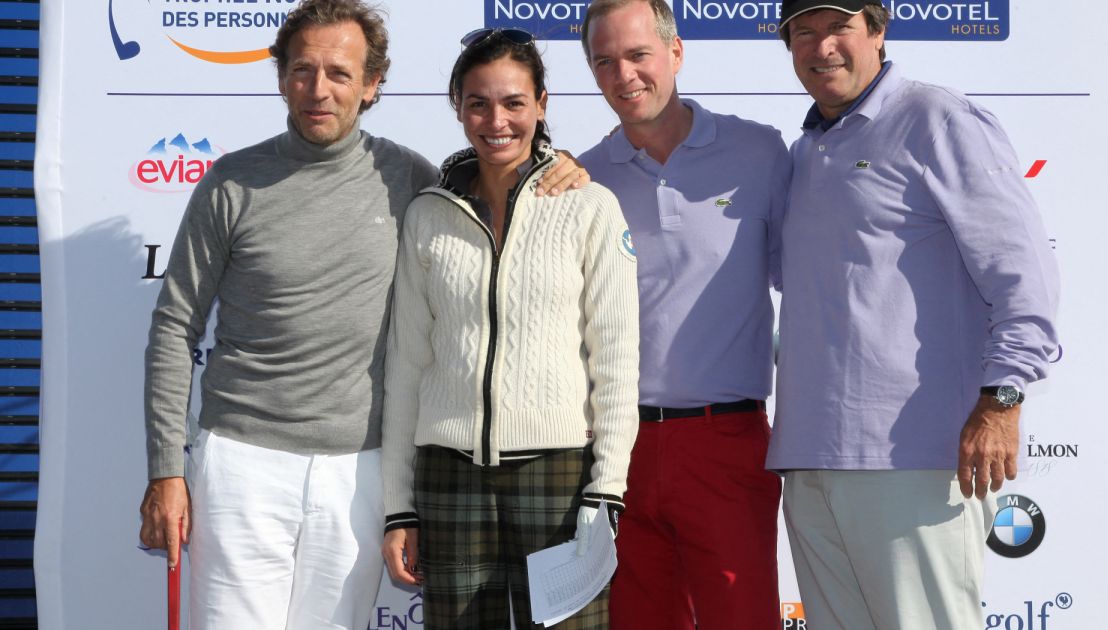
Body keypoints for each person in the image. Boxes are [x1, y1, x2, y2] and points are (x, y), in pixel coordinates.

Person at [136, 2, 586, 628]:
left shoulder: (412, 179)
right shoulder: (230, 183)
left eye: (340, 73)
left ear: (372, 85)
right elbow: (174, 327)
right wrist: (166, 470)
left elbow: (504, 182)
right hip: (240, 464)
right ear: (281, 77)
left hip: (361, 472)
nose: (318, 90)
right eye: (302, 70)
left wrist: (557, 162)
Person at [768, 1, 1060, 628]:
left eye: (840, 27)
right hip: (811, 456)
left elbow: (1022, 271)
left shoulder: (937, 118)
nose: (822, 48)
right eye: (805, 33)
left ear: (877, 30)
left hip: (916, 460)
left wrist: (1003, 399)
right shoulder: (804, 151)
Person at [379, 27, 640, 629]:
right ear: (458, 107)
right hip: (450, 474)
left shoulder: (589, 207)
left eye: (514, 102)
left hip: (559, 476)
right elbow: (407, 367)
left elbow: (617, 362)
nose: (496, 120)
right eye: (478, 102)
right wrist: (399, 509)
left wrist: (606, 491)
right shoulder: (428, 214)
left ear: (541, 104)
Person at [576, 1, 790, 628]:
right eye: (605, 61)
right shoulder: (581, 178)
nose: (625, 75)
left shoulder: (759, 151)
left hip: (725, 442)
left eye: (638, 55)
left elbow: (808, 286)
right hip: (617, 448)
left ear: (676, 52)